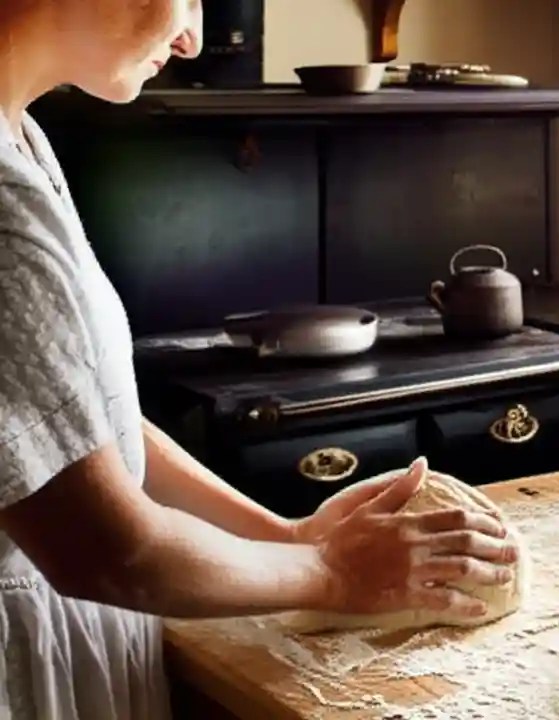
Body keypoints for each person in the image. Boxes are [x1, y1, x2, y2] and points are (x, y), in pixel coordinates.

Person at [0, 2, 521, 717]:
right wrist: (329, 573)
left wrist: (285, 535)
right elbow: (106, 549)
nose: (193, 38)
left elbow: (79, 427)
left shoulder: (22, 137)